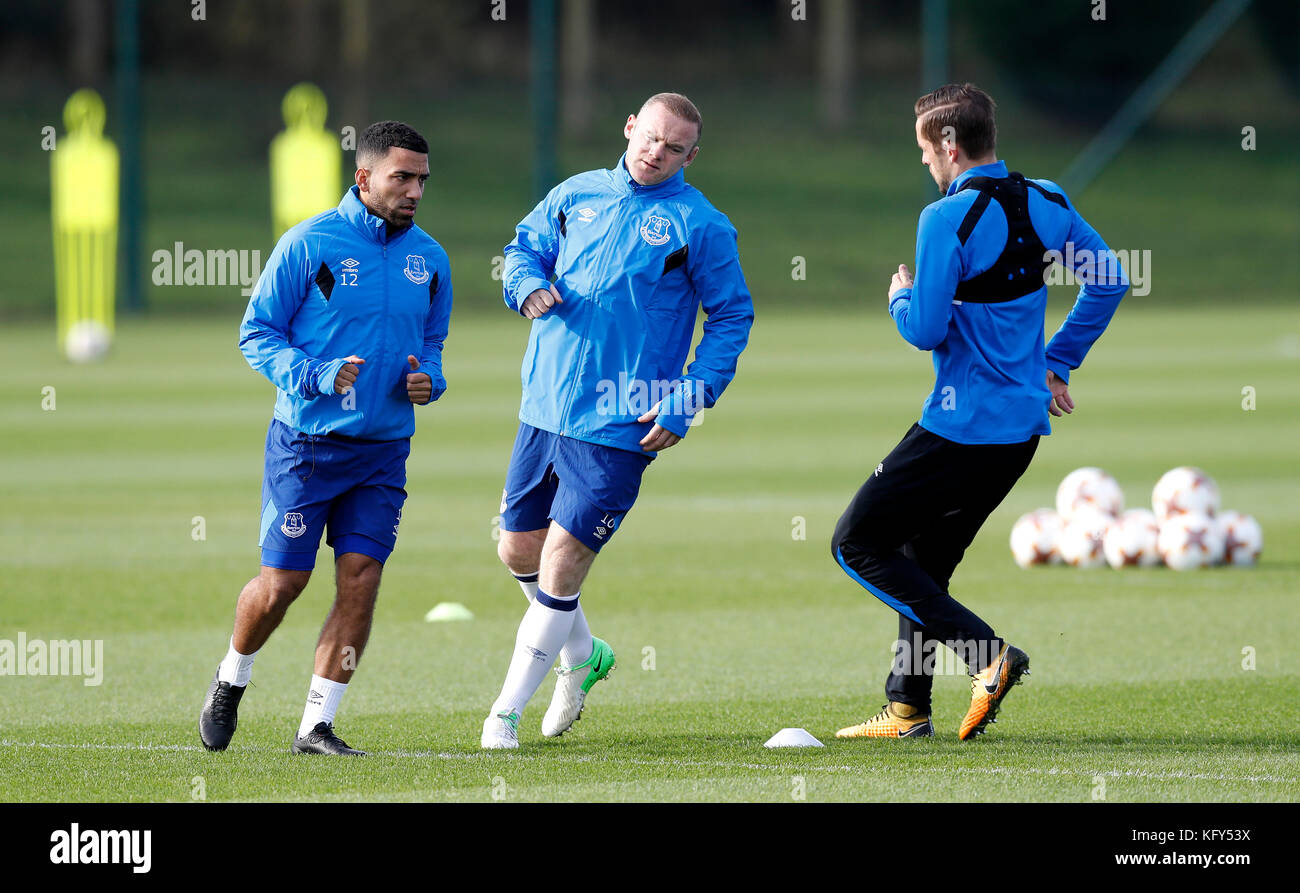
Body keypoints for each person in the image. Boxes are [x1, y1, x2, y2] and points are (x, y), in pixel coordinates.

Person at [831, 84, 1128, 741]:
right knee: (921, 563)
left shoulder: (944, 219)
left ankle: (987, 656)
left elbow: (927, 330)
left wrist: (898, 298)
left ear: (949, 145)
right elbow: (1109, 278)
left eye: (923, 149)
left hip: (959, 431)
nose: (923, 164)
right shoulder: (1048, 200)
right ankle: (907, 708)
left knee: (856, 543)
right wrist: (1056, 362)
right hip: (1019, 433)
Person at [481, 92, 754, 749]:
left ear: (692, 155)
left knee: (562, 558)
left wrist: (690, 395)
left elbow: (732, 316)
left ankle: (504, 713)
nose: (657, 152)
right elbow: (521, 251)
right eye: (650, 137)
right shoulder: (576, 193)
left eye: (674, 147)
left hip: (622, 420)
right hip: (546, 402)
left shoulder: (701, 224)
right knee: (517, 548)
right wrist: (524, 286)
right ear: (630, 127)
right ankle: (584, 653)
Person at [199, 121, 452, 756]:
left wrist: (430, 382)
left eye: (422, 178)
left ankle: (316, 726)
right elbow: (256, 333)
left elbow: (433, 347)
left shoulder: (432, 259)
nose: (415, 190)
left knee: (361, 579)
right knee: (282, 585)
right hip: (307, 447)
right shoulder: (309, 243)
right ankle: (232, 678)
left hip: (384, 450)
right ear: (364, 178)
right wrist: (313, 374)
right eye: (402, 177)